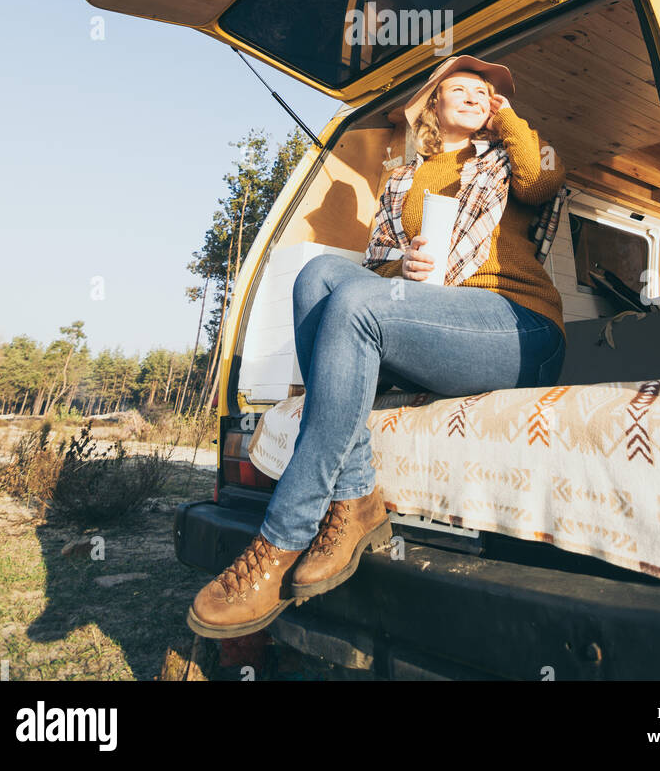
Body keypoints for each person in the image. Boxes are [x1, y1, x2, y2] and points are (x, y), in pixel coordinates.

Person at [187, 54, 567, 639]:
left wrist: (510, 118)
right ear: (434, 105)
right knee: (318, 279)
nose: (474, 95)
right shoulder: (402, 176)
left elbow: (544, 181)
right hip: (433, 319)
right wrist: (403, 269)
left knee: (355, 303)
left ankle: (282, 535)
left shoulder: (511, 158)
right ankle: (356, 491)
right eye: (458, 88)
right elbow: (374, 266)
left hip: (517, 327)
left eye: (485, 91)